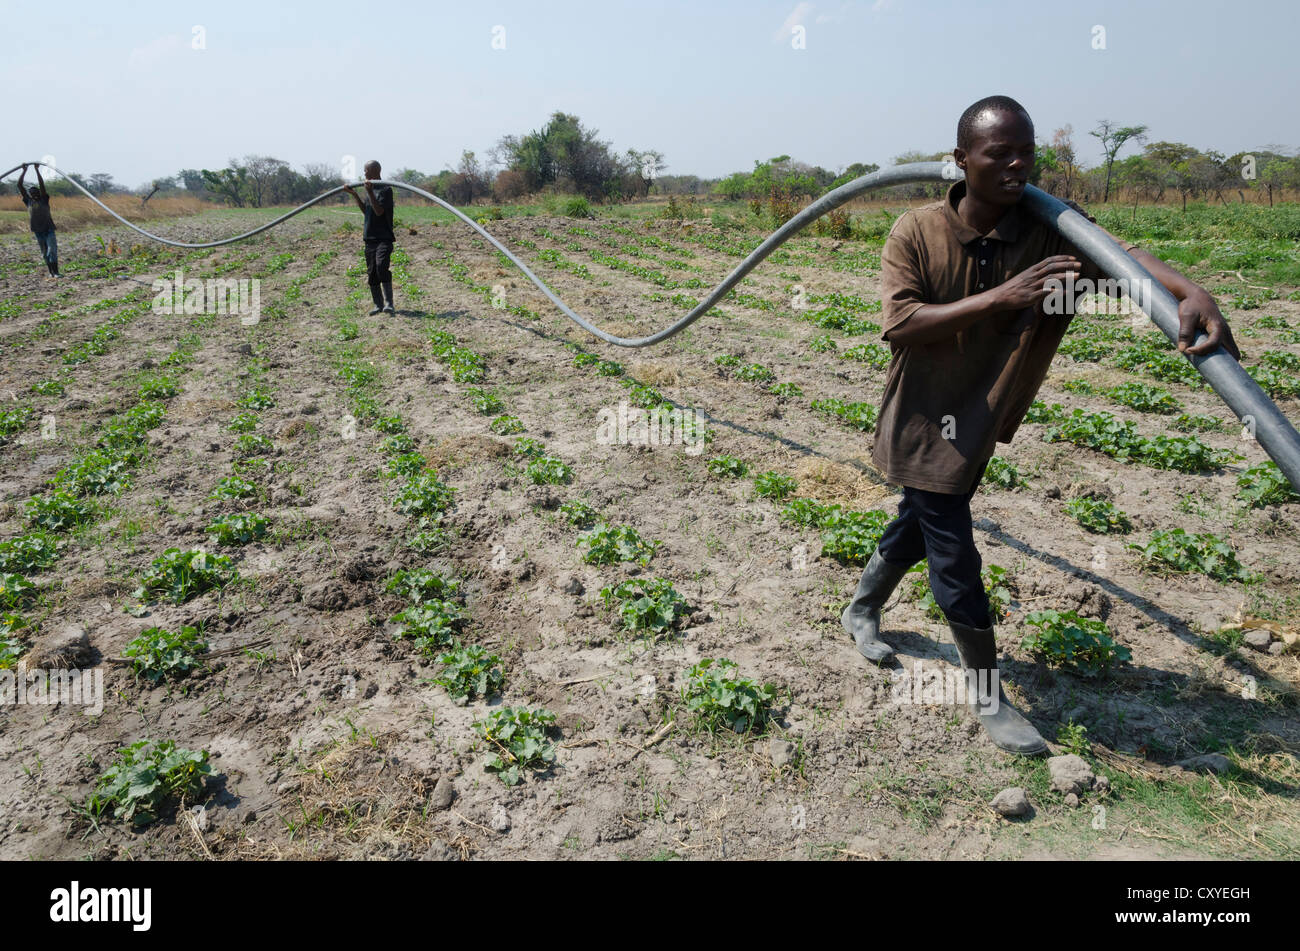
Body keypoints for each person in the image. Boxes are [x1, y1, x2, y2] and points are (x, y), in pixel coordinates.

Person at [842, 95, 1240, 755]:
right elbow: (900, 321)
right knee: (954, 556)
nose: (1018, 164)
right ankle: (991, 697)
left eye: (1027, 151)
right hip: (921, 418)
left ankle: (860, 607)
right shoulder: (915, 230)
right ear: (962, 159)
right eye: (1000, 153)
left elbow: (1118, 254)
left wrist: (1188, 291)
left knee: (921, 518)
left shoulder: (1046, 226)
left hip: (980, 416)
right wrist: (1006, 295)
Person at [343, 160, 395, 315]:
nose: (364, 173)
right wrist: (355, 195)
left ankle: (389, 303)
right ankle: (377, 305)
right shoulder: (369, 189)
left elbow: (379, 212)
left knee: (381, 266)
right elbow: (367, 211)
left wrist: (370, 192)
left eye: (366, 170)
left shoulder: (386, 189)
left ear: (374, 171)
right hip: (370, 238)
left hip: (384, 237)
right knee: (372, 272)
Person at [16, 164, 59, 277]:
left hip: (49, 230)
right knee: (45, 254)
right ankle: (51, 273)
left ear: (39, 193)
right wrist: (24, 171)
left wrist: (37, 170)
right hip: (38, 231)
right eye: (32, 193)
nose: (35, 194)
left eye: (36, 193)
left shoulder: (44, 199)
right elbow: (19, 185)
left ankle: (56, 272)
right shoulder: (28, 201)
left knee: (51, 251)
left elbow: (42, 184)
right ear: (30, 195)